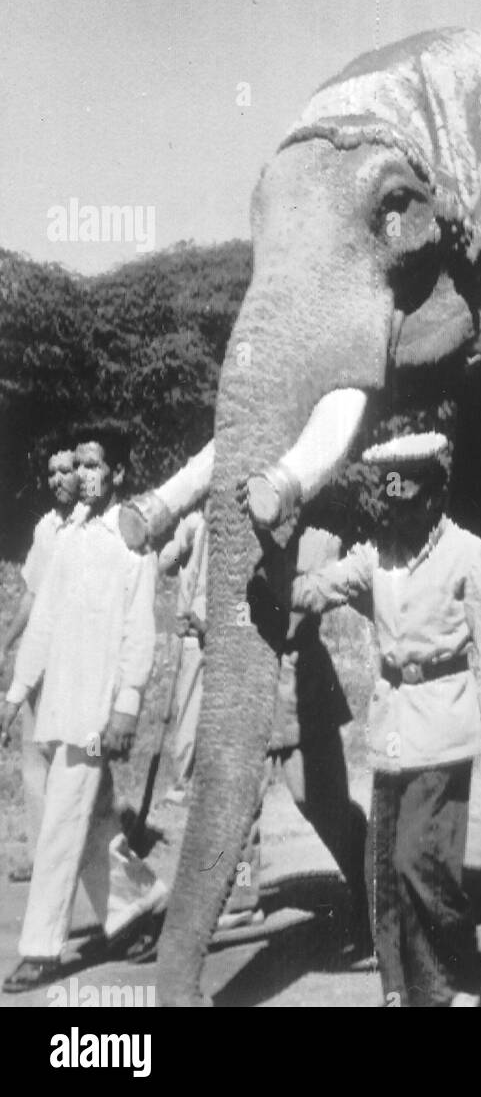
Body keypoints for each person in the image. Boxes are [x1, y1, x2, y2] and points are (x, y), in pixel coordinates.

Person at [288, 432, 481, 1006]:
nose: (397, 513)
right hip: (392, 729)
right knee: (383, 868)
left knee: (422, 858)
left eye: (408, 501)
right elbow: (323, 588)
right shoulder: (377, 555)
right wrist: (276, 585)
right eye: (389, 502)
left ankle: (460, 975)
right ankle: (403, 989)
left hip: (445, 726)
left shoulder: (471, 555)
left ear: (435, 497)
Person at [0, 422, 166, 992]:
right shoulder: (67, 536)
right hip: (56, 711)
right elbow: (42, 625)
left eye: (95, 465)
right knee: (92, 828)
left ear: (118, 473)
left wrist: (125, 709)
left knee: (59, 827)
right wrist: (16, 695)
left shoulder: (131, 545)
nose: (83, 475)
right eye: (79, 465)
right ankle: (139, 907)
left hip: (94, 718)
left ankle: (41, 950)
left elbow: (139, 637)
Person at [222, 523, 373, 961]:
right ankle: (242, 899)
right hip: (244, 682)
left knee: (321, 802)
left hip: (299, 684)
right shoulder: (237, 534)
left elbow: (293, 614)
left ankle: (373, 896)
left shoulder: (320, 538)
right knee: (236, 808)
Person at [0, 445, 86, 882]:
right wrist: (6, 641)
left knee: (77, 763)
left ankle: (78, 856)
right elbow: (32, 595)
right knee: (33, 759)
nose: (58, 480)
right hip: (41, 662)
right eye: (51, 473)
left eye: (66, 471)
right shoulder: (46, 529)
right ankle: (39, 855)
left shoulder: (94, 528)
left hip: (78, 666)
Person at [156, 503, 208, 804]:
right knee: (188, 707)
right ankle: (182, 782)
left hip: (216, 630)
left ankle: (192, 783)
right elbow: (167, 563)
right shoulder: (194, 523)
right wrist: (182, 539)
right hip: (192, 631)